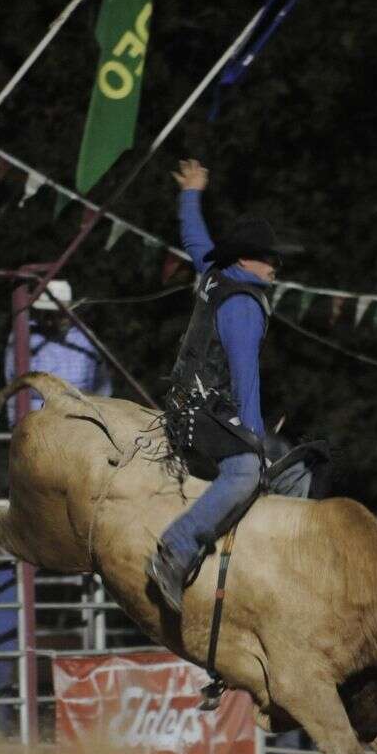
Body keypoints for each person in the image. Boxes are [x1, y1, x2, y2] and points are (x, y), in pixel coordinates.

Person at [146, 158, 280, 613]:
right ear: (246, 259)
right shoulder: (244, 304)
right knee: (246, 471)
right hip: (203, 413)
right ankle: (175, 550)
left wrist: (190, 193)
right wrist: (256, 441)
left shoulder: (215, 272)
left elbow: (194, 238)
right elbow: (246, 378)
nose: (275, 266)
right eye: (268, 258)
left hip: (182, 400)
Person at [4, 278, 112, 424]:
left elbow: (102, 383)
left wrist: (100, 416)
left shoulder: (85, 338)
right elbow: (13, 383)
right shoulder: (25, 335)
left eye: (57, 314)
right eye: (47, 313)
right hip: (38, 419)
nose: (51, 319)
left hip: (82, 418)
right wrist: (15, 423)